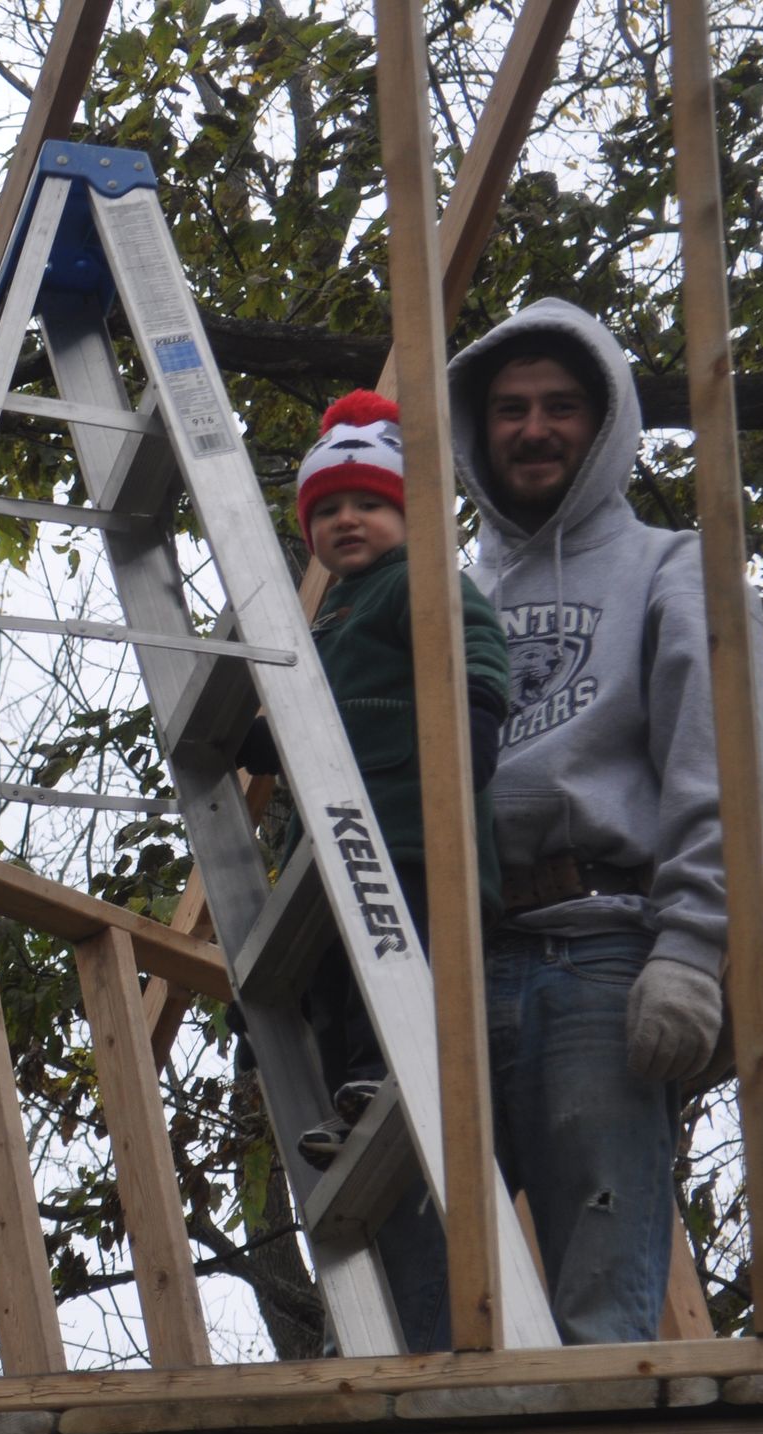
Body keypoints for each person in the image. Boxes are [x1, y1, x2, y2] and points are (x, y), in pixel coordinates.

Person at [443, 298, 746, 1345]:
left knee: (601, 1304)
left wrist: (692, 949)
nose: (534, 427)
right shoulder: (445, 595)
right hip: (459, 964)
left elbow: (713, 769)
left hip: (601, 951)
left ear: (606, 420)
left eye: (563, 405)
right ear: (477, 433)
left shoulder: (670, 566)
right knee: (429, 1302)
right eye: (512, 408)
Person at [238, 390, 511, 1169]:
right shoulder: (325, 621)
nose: (346, 521)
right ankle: (345, 1098)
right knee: (326, 974)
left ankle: (384, 1073)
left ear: (411, 516)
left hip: (410, 825)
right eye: (328, 512)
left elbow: (475, 645)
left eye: (369, 503)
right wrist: (266, 739)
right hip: (332, 840)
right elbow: (317, 714)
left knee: (395, 965)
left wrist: (478, 715)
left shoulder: (418, 582)